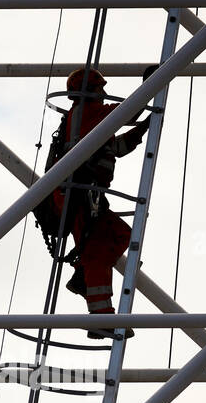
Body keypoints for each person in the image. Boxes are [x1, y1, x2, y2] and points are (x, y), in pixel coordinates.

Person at [36, 66, 150, 337]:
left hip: (85, 195)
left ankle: (82, 277)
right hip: (76, 196)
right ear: (89, 92)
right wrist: (151, 86)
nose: (104, 93)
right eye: (100, 89)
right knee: (96, 252)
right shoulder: (88, 113)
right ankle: (100, 317)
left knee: (121, 234)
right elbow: (127, 112)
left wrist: (142, 129)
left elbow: (114, 149)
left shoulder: (88, 123)